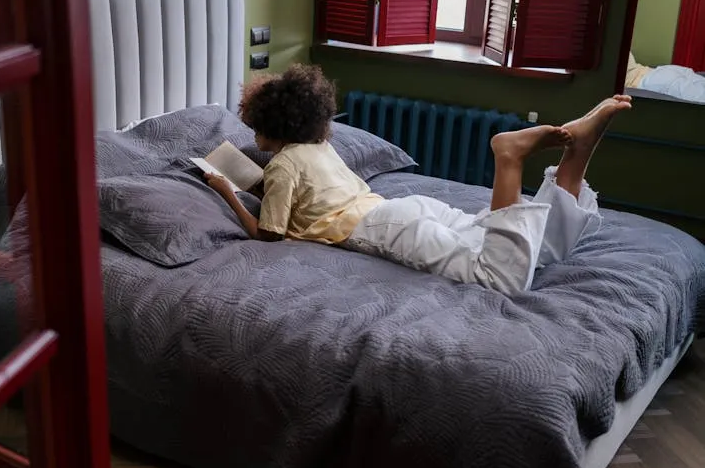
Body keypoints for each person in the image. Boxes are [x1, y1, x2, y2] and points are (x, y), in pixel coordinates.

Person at [204, 64, 631, 295]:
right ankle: (580, 150)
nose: (253, 138)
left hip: (376, 229)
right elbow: (300, 193)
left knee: (499, 277)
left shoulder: (281, 165)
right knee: (539, 250)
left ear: (272, 125)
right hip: (400, 209)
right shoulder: (317, 146)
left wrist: (228, 191)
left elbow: (270, 236)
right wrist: (257, 185)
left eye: (255, 128)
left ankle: (509, 157)